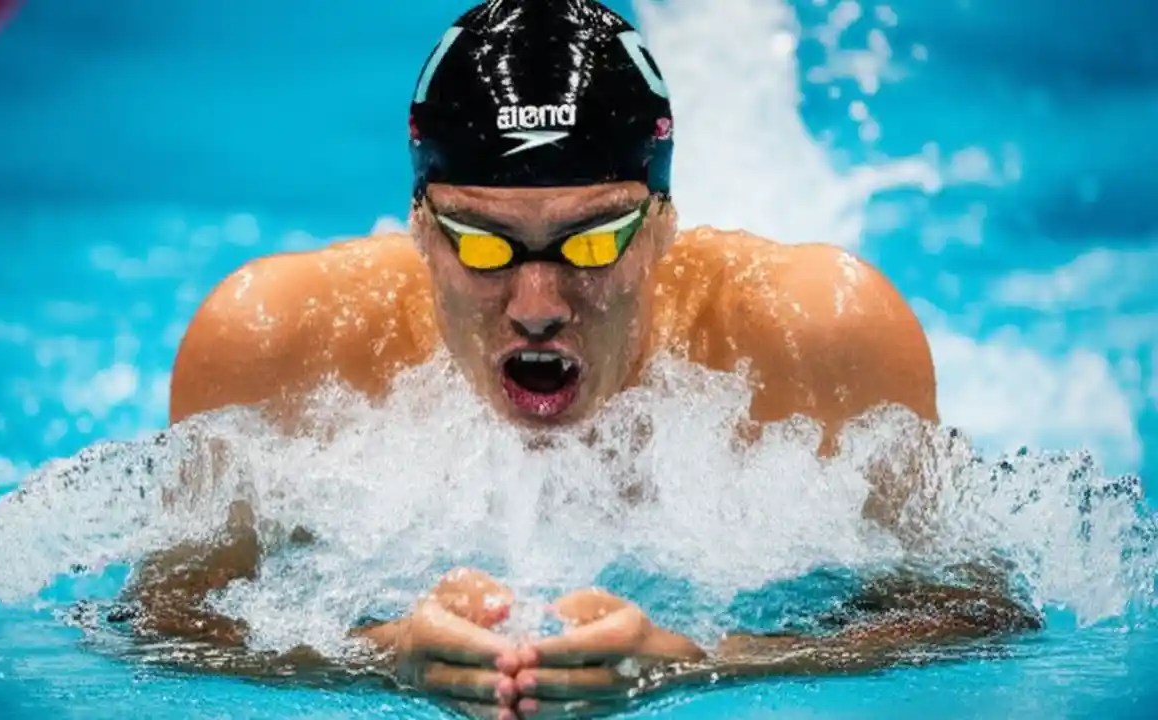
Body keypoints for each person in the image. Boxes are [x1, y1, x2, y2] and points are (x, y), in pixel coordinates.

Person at [128, 1, 1040, 717]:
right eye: (482, 246)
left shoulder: (823, 342)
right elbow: (156, 626)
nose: (536, 308)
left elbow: (982, 616)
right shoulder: (273, 346)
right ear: (419, 228)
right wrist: (373, 656)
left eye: (592, 242)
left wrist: (705, 661)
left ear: (663, 225)